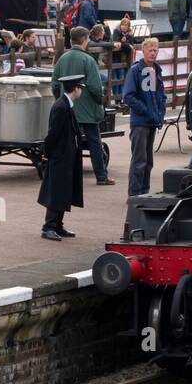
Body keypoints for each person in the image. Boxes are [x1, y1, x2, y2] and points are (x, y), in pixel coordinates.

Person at [52, 26, 114, 186]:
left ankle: (67, 176)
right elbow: (94, 86)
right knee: (94, 142)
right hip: (87, 110)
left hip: (67, 108)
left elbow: (54, 84)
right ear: (85, 40)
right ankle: (101, 176)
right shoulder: (88, 60)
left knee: (68, 143)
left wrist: (61, 99)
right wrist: (101, 100)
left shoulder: (62, 59)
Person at [38, 74, 85, 240]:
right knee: (56, 191)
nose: (81, 91)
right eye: (81, 88)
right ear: (76, 89)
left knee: (63, 190)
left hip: (66, 156)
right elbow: (53, 134)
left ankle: (58, 224)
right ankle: (48, 226)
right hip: (59, 157)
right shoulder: (61, 107)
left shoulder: (66, 105)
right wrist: (47, 154)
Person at [121, 37, 166, 196]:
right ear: (143, 51)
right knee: (139, 160)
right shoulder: (136, 71)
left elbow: (160, 95)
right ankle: (134, 194)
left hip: (152, 121)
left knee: (148, 161)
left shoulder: (156, 70)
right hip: (140, 122)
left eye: (155, 50)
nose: (153, 53)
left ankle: (144, 191)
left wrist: (160, 114)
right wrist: (146, 110)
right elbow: (128, 96)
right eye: (150, 50)